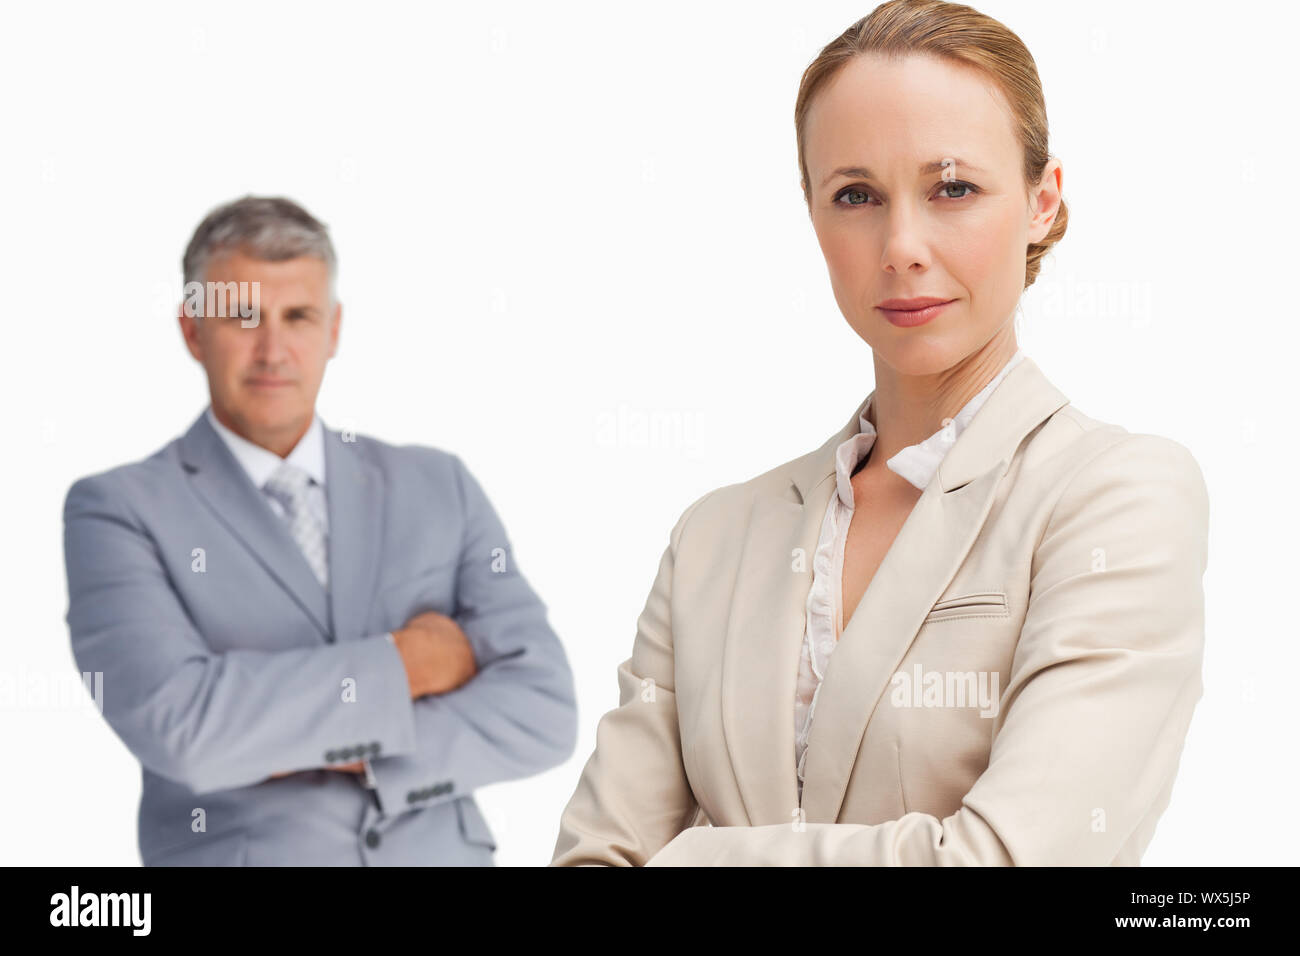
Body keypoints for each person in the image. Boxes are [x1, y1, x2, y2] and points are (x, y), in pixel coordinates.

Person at [551, 0, 1208, 866]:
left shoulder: (1117, 498)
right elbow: (592, 855)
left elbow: (1011, 861)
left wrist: (692, 858)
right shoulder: (713, 537)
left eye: (954, 188)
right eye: (856, 195)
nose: (901, 245)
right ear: (813, 214)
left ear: (1043, 203)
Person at [63, 195, 576, 866]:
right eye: (243, 317)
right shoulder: (116, 510)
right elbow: (188, 733)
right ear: (193, 331)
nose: (273, 349)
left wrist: (316, 743)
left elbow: (545, 709)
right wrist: (409, 662)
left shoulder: (436, 484)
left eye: (298, 316)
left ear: (333, 329)